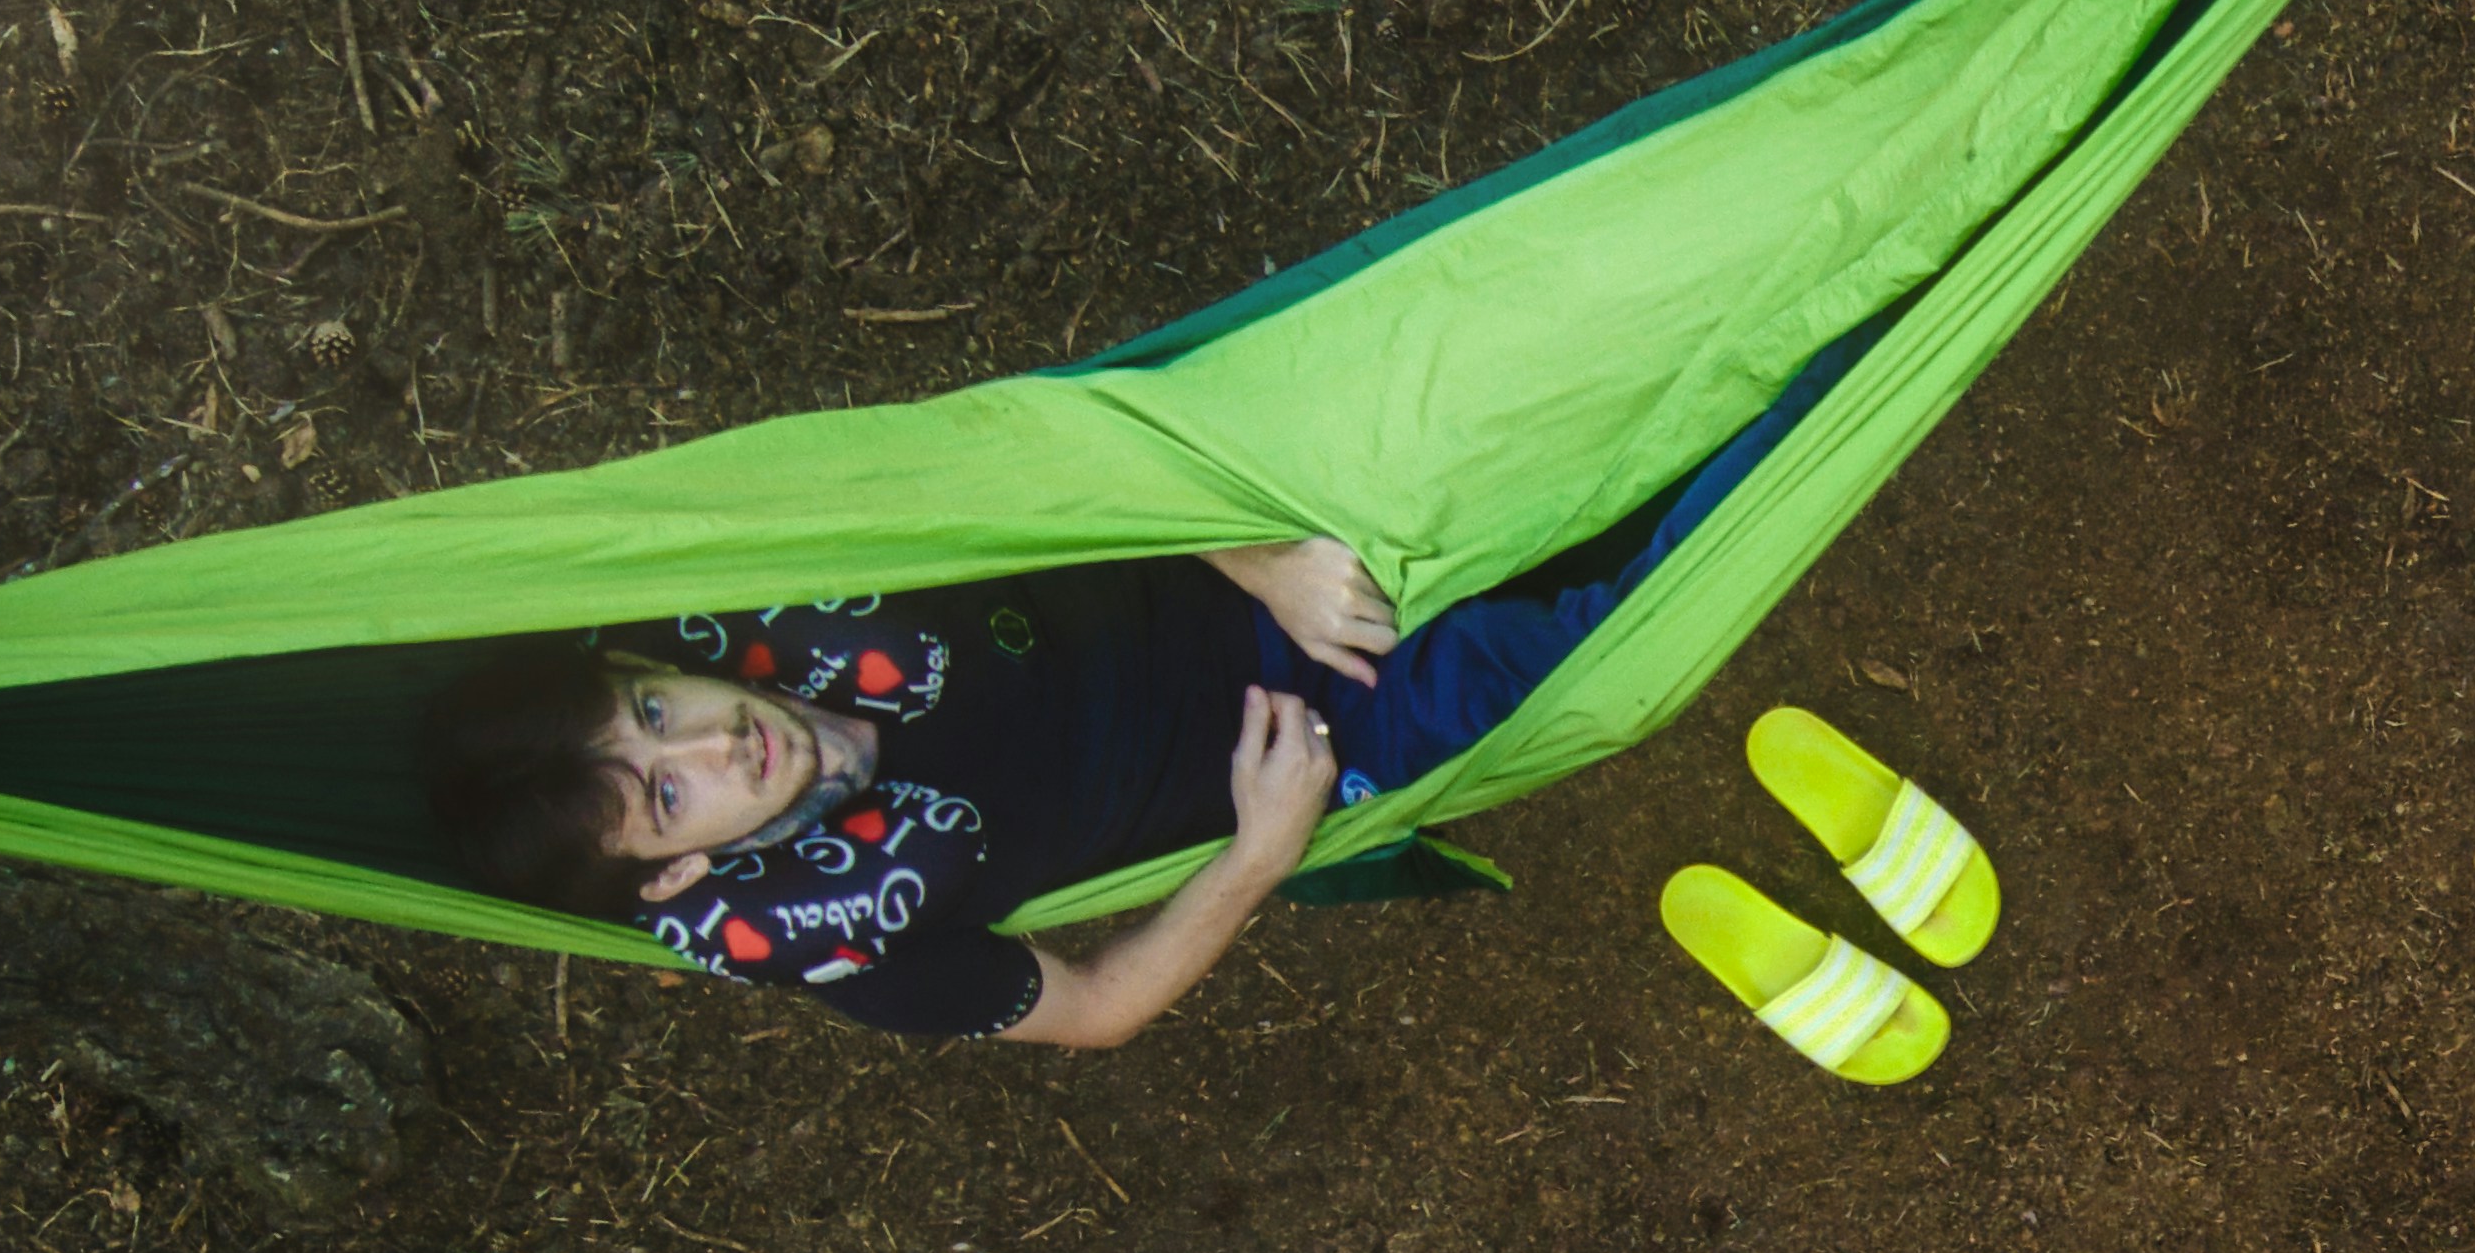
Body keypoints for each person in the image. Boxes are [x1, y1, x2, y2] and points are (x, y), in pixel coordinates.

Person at [408, 328, 1856, 1044]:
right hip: (1311, 737)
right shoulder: (832, 941)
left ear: (638, 662)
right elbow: (1094, 1006)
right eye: (668, 800)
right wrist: (1263, 852)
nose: (720, 747)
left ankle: (1826, 317)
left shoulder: (771, 582)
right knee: (1593, 632)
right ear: (674, 877)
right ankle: (1851, 388)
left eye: (657, 714)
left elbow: (1016, 461)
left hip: (1260, 548)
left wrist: (1254, 559)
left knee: (1576, 434)